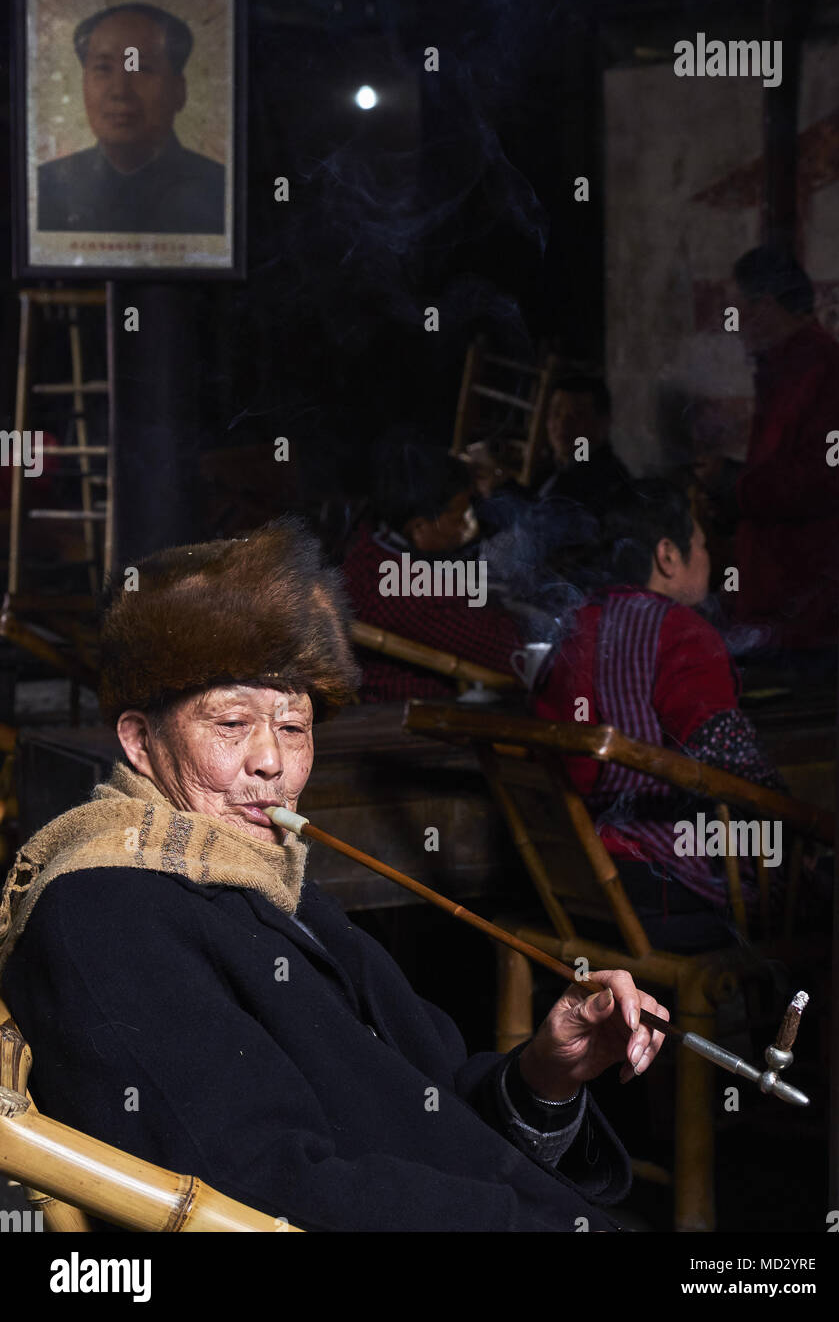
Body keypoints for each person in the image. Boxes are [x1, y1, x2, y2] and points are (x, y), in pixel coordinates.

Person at [0, 520, 668, 1233]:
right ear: (139, 741)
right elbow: (265, 1189)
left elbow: (431, 1103)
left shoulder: (256, 875)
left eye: (294, 727)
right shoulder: (107, 910)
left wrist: (547, 1072)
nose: (272, 764)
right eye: (231, 723)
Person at [533, 480, 787, 950]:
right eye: (703, 544)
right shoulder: (681, 631)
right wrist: (792, 818)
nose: (710, 558)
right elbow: (725, 761)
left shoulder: (576, 625)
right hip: (657, 885)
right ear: (668, 555)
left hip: (574, 881)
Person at [696, 246, 839, 662]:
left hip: (802, 610)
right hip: (775, 604)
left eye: (738, 309)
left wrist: (735, 486)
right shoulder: (784, 368)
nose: (736, 323)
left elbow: (829, 481)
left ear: (764, 306)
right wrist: (732, 494)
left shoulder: (826, 371)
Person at [341, 441, 524, 699]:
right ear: (418, 527)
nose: (465, 525)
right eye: (457, 516)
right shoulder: (397, 586)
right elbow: (508, 654)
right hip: (407, 714)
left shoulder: (371, 548)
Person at [37, 3, 225, 235]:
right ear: (82, 84)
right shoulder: (45, 187)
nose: (120, 91)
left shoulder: (221, 190)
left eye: (141, 68)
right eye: (103, 68)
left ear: (179, 90)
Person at [535, 373, 631, 516]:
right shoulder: (554, 468)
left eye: (577, 415)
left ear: (603, 423)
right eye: (556, 413)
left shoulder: (605, 480)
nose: (562, 424)